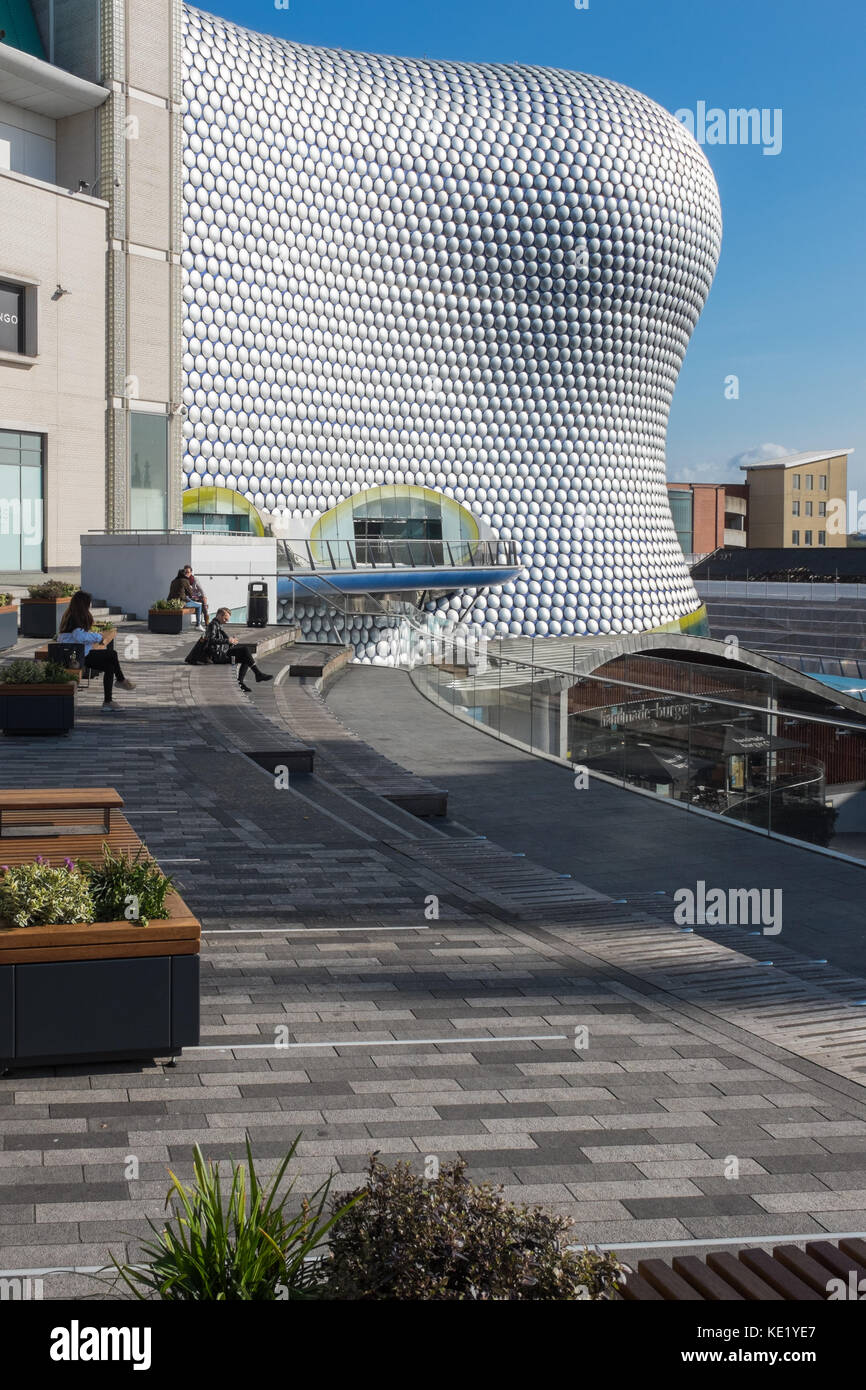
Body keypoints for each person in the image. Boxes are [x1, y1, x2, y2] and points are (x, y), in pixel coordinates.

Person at [58, 590, 135, 712]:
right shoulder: (74, 617)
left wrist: (93, 637)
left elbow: (79, 636)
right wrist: (98, 637)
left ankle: (108, 701)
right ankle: (120, 681)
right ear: (83, 604)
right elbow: (79, 636)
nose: (90, 606)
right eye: (88, 603)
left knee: (109, 666)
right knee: (112, 654)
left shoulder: (71, 615)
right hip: (76, 656)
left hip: (79, 654)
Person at [203, 607, 273, 693]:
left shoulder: (218, 624)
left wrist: (231, 641)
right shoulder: (213, 625)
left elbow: (222, 640)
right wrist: (227, 640)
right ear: (220, 615)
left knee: (246, 656)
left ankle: (243, 681)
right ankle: (256, 675)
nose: (226, 621)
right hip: (218, 656)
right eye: (225, 619)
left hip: (222, 652)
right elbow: (211, 640)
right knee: (245, 651)